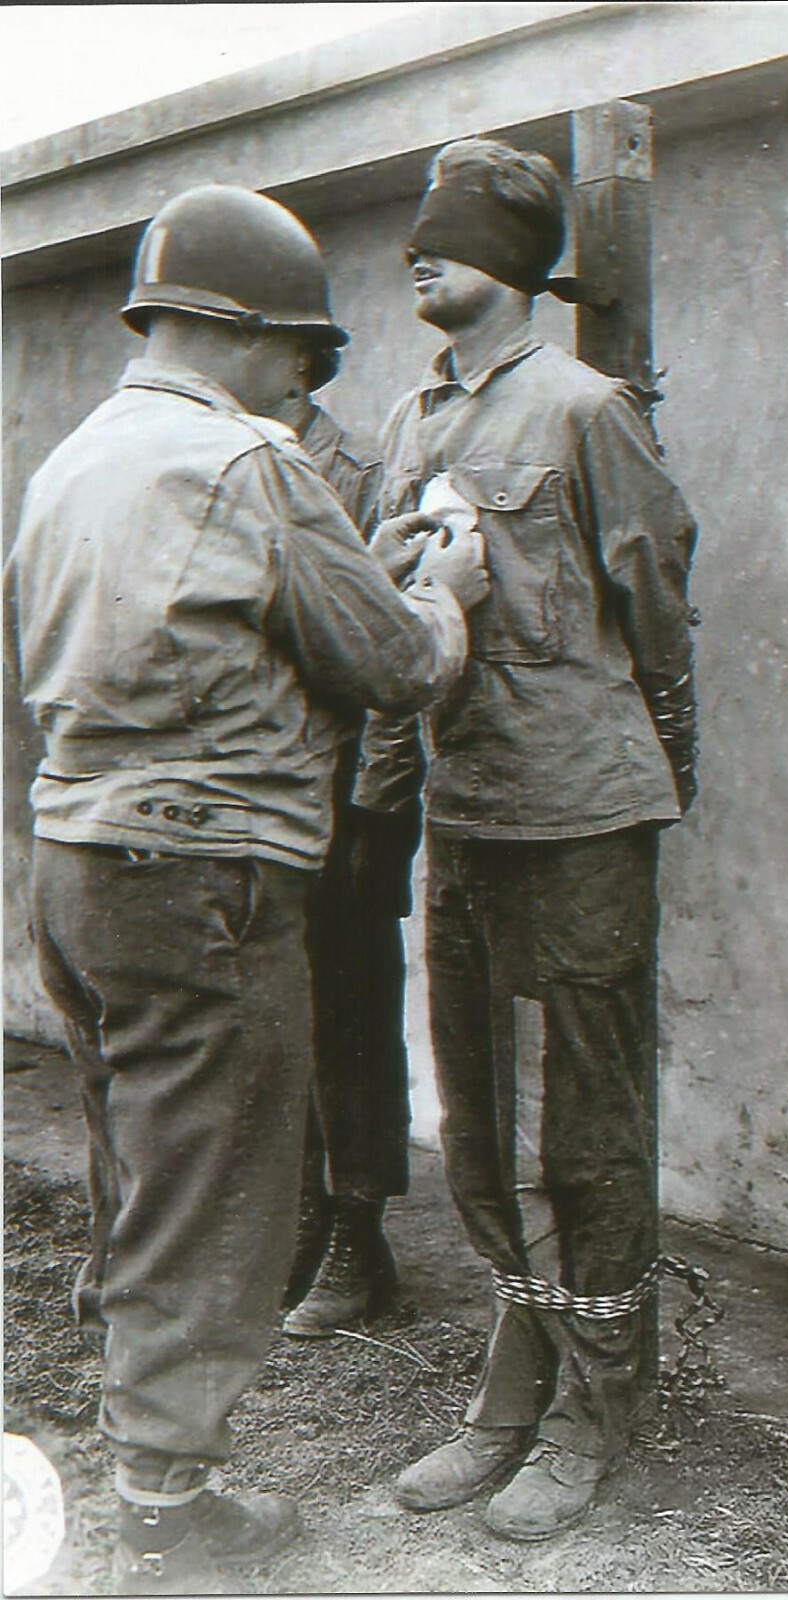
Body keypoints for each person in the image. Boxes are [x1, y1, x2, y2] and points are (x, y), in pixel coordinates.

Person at [4, 183, 487, 1593]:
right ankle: (167, 1502)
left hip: (78, 862)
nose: (304, 383)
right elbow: (397, 664)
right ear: (241, 331)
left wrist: (353, 580)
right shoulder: (251, 463)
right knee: (217, 1184)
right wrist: (444, 588)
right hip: (203, 876)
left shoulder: (75, 461)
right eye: (300, 352)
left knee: (143, 1160)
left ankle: (141, 1435)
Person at [354, 137, 699, 1541]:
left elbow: (657, 598)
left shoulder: (583, 409)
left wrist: (655, 763)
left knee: (590, 1127)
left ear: (512, 263)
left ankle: (594, 1408)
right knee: (483, 1121)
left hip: (581, 817)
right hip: (469, 811)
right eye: (416, 238)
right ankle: (514, 1386)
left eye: (444, 238)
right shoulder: (410, 418)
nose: (416, 255)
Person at [272, 358, 420, 1336]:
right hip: (261, 785)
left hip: (346, 790)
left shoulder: (355, 474)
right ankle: (299, 1211)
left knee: (352, 1010)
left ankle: (357, 1234)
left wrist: (376, 811)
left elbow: (388, 644)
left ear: (295, 361)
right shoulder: (233, 465)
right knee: (274, 1006)